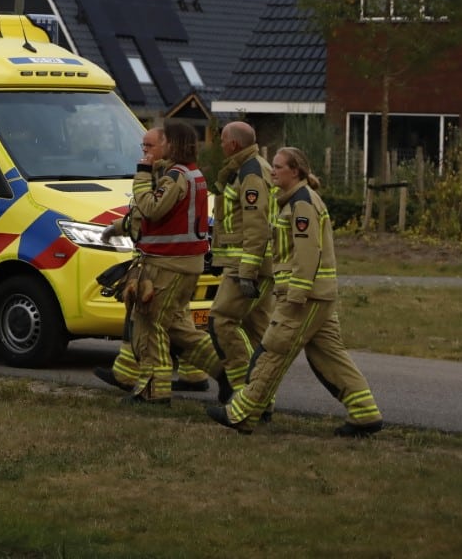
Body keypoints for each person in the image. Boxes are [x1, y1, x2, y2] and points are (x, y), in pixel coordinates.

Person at [206, 147, 384, 437]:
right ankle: (365, 414)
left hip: (304, 298)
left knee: (274, 351)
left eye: (278, 167)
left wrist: (295, 296)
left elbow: (306, 254)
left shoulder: (301, 204)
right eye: (273, 166)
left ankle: (242, 414)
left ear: (296, 171)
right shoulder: (292, 201)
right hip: (318, 297)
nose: (272, 171)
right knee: (329, 355)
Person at [96, 122, 226, 404]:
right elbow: (151, 219)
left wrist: (141, 177)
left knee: (150, 323)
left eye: (151, 146)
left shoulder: (174, 177)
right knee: (179, 330)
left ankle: (153, 392)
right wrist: (119, 227)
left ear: (171, 145)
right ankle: (227, 374)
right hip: (180, 264)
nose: (144, 152)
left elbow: (152, 209)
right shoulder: (187, 174)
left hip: (169, 265)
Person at [207, 121, 276, 398]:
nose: (220, 145)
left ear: (234, 144)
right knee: (258, 333)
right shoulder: (243, 169)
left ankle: (240, 389)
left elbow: (256, 224)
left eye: (223, 140)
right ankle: (261, 398)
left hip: (248, 268)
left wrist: (247, 270)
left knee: (220, 321)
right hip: (249, 265)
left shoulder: (251, 173)